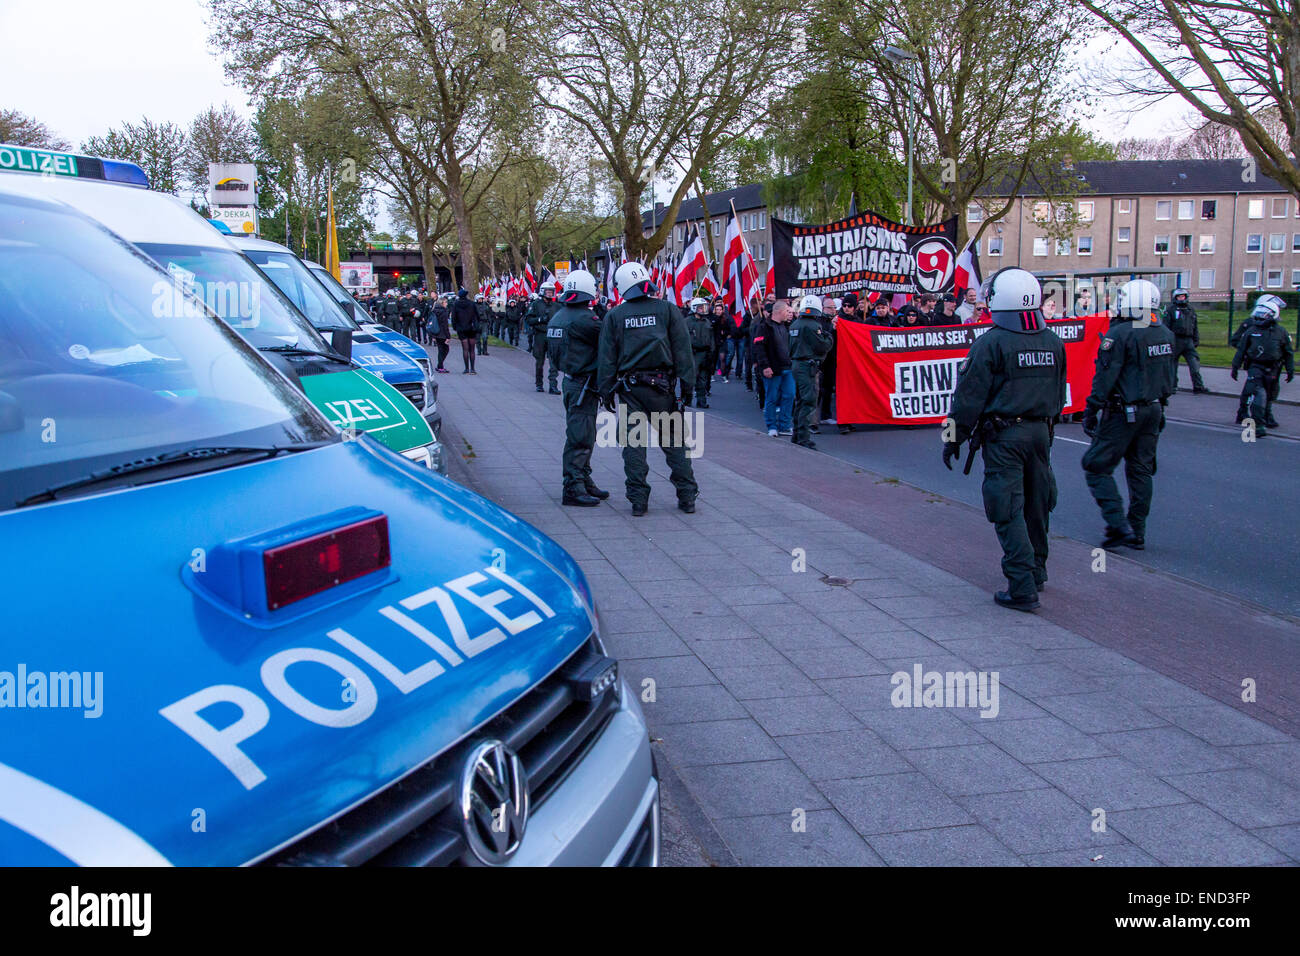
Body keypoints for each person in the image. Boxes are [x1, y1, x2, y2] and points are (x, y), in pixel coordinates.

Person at [945, 267, 1067, 612]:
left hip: (1005, 437)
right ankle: (1037, 571)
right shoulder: (1053, 342)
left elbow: (966, 399)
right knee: (1038, 502)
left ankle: (1021, 585)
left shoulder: (990, 343)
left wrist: (951, 438)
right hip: (1041, 433)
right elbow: (1059, 396)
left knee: (1007, 506)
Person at [1080, 279, 1176, 551]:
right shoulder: (1165, 333)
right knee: (1141, 471)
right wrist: (1162, 404)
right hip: (1154, 408)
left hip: (1124, 411)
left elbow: (1105, 377)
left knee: (1096, 466)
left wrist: (1091, 409)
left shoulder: (1120, 334)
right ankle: (1137, 530)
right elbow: (1169, 376)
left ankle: (1117, 525)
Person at [597, 261, 698, 516]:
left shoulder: (615, 316)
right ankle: (687, 497)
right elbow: (683, 351)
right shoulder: (668, 310)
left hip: (630, 390)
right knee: (675, 444)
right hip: (663, 389)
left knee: (633, 446)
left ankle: (638, 501)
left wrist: (606, 389)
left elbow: (607, 358)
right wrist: (687, 386)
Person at [548, 269, 610, 507]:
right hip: (583, 383)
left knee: (584, 434)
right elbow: (608, 338)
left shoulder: (560, 316)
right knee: (580, 437)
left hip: (572, 380)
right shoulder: (584, 318)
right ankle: (573, 486)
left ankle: (583, 479)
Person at [1232, 295, 1295, 435]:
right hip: (1255, 365)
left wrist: (1290, 369)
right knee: (1257, 394)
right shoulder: (1251, 328)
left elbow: (1288, 352)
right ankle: (1257, 423)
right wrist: (1236, 365)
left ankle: (1266, 415)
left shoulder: (1281, 332)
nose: (1259, 318)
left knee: (1270, 392)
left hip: (1274, 368)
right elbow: (1240, 346)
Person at [790, 294, 833, 449]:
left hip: (797, 364)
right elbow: (822, 346)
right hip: (807, 366)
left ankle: (797, 434)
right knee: (808, 402)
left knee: (800, 401)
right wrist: (829, 336)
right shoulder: (813, 326)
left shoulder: (795, 324)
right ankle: (804, 438)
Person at [753, 298, 795, 437]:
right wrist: (765, 366)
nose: (789, 314)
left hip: (787, 367)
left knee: (789, 395)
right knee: (771, 397)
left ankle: (784, 424)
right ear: (780, 311)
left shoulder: (785, 326)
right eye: (787, 311)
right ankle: (771, 425)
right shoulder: (764, 327)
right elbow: (759, 348)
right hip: (772, 368)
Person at [1164, 288, 1207, 394]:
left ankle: (1198, 386)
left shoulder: (1190, 310)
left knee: (1194, 364)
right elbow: (1166, 327)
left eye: (1183, 296)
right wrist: (1168, 341)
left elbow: (1195, 326)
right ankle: (1172, 386)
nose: (1181, 298)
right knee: (1172, 365)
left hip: (1188, 341)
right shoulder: (1171, 310)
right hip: (1175, 340)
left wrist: (1196, 339)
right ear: (1175, 298)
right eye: (1179, 297)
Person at [526, 284, 559, 393]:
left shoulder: (556, 306)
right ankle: (539, 384)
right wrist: (540, 319)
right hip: (540, 335)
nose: (550, 293)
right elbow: (529, 319)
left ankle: (553, 385)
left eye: (552, 291)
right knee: (540, 361)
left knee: (553, 362)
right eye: (548, 291)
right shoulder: (536, 304)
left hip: (553, 335)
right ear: (543, 291)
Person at [686, 297, 715, 408]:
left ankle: (701, 401)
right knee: (690, 379)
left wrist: (712, 351)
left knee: (703, 379)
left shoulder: (707, 322)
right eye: (701, 308)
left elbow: (711, 338)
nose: (703, 310)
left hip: (705, 354)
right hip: (693, 353)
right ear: (694, 308)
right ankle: (687, 400)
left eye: (704, 307)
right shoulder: (687, 322)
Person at [449, 287, 480, 373]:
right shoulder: (472, 304)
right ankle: (473, 368)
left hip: (461, 328)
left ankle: (466, 368)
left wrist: (455, 327)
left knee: (465, 349)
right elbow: (477, 315)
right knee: (472, 349)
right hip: (471, 328)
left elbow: (454, 317)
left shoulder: (456, 304)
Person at [432, 296, 451, 371]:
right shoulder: (444, 312)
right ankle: (440, 366)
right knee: (444, 349)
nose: (447, 304)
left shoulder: (434, 310)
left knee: (441, 349)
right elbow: (445, 325)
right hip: (442, 333)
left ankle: (440, 365)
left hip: (436, 332)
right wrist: (448, 336)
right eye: (446, 302)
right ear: (442, 303)